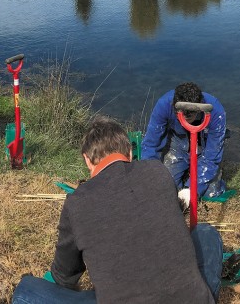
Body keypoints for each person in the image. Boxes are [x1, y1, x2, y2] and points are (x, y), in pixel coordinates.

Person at [11, 116, 222, 303]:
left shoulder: (76, 202)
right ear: (129, 152)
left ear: (87, 160)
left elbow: (64, 277)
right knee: (206, 232)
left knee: (27, 290)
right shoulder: (158, 171)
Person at [141, 82, 227, 201]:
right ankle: (183, 169)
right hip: (178, 144)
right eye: (179, 116)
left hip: (205, 146)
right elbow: (151, 144)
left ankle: (215, 177)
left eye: (189, 117)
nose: (184, 120)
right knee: (167, 186)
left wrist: (192, 189)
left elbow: (212, 155)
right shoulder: (164, 104)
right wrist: (150, 172)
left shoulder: (215, 111)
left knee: (210, 192)